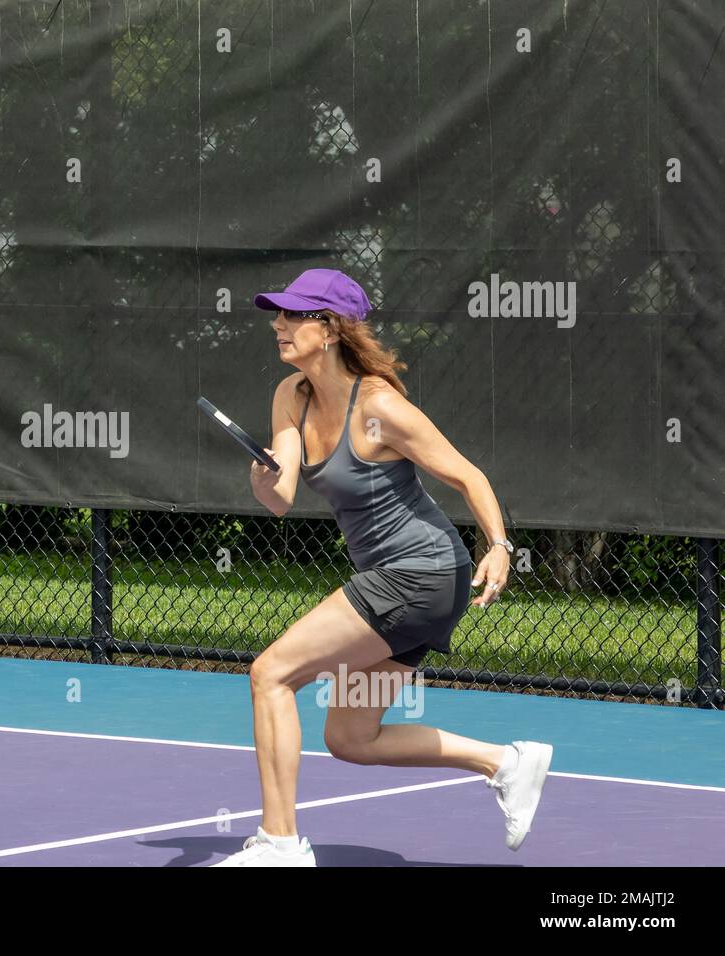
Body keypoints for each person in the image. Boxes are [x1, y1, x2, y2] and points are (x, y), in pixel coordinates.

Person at [213, 268, 552, 867]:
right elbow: (281, 496)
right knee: (350, 738)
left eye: (293, 315)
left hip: (420, 572)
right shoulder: (291, 395)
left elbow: (466, 475)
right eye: (279, 314)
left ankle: (280, 846)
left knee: (271, 674)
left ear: (330, 328)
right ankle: (506, 763)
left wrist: (498, 544)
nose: (279, 325)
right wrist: (261, 475)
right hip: (405, 584)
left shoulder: (380, 407)